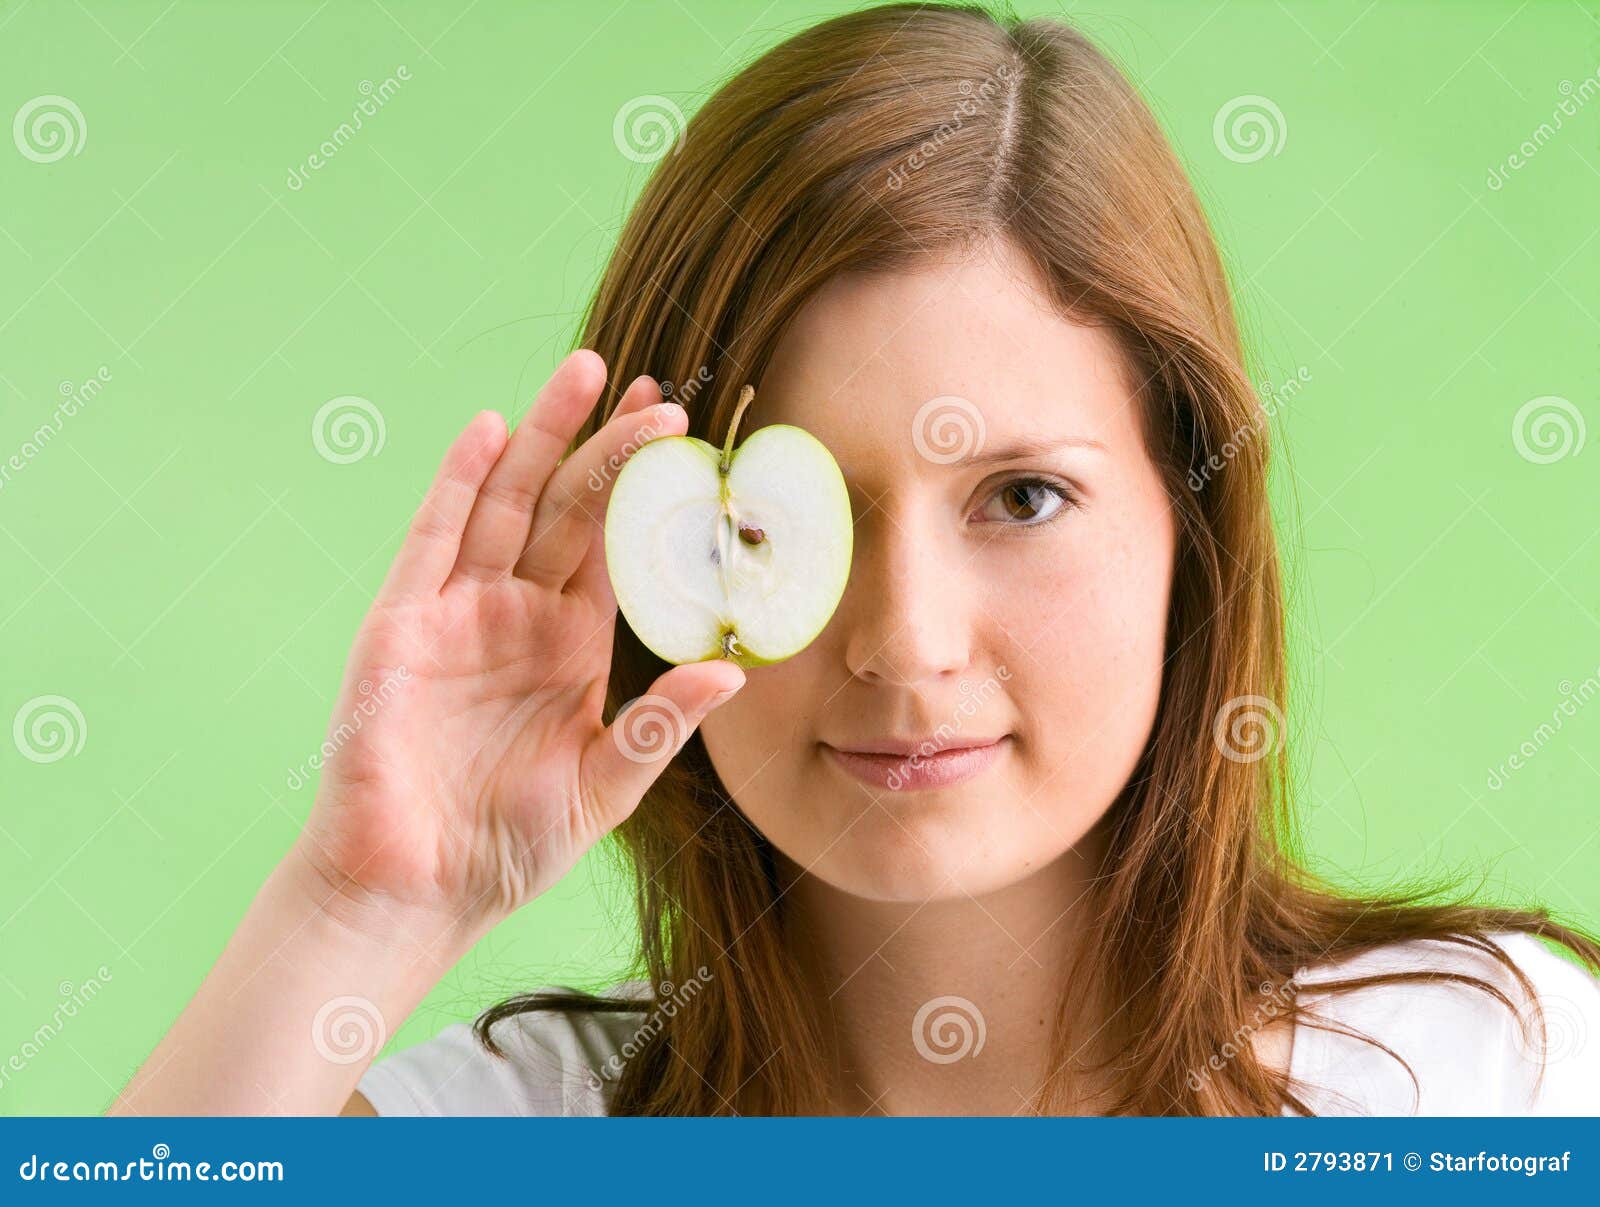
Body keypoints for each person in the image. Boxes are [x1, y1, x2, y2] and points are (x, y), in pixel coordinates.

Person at [110, 1, 1600, 1117]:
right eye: (777, 521)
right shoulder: (525, 1125)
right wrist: (365, 907)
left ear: (1188, 534)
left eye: (1022, 497)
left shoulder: (1489, 1076)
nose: (905, 642)